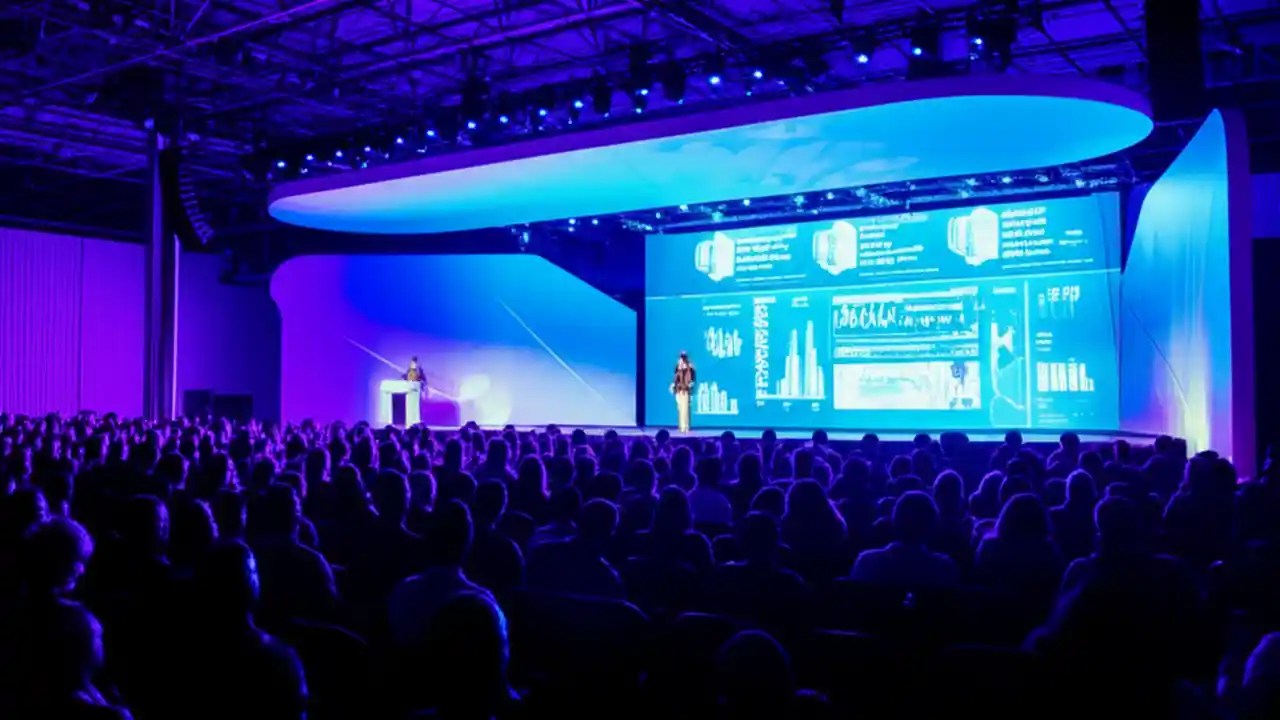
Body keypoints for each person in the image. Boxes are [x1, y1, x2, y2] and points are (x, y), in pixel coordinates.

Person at [671, 351, 696, 433]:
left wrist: (690, 384)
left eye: (683, 357)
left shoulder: (690, 367)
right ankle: (681, 426)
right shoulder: (678, 367)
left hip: (686, 390)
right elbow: (675, 378)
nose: (681, 359)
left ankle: (686, 426)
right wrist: (673, 385)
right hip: (679, 389)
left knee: (685, 408)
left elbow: (692, 378)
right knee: (680, 408)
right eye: (681, 357)